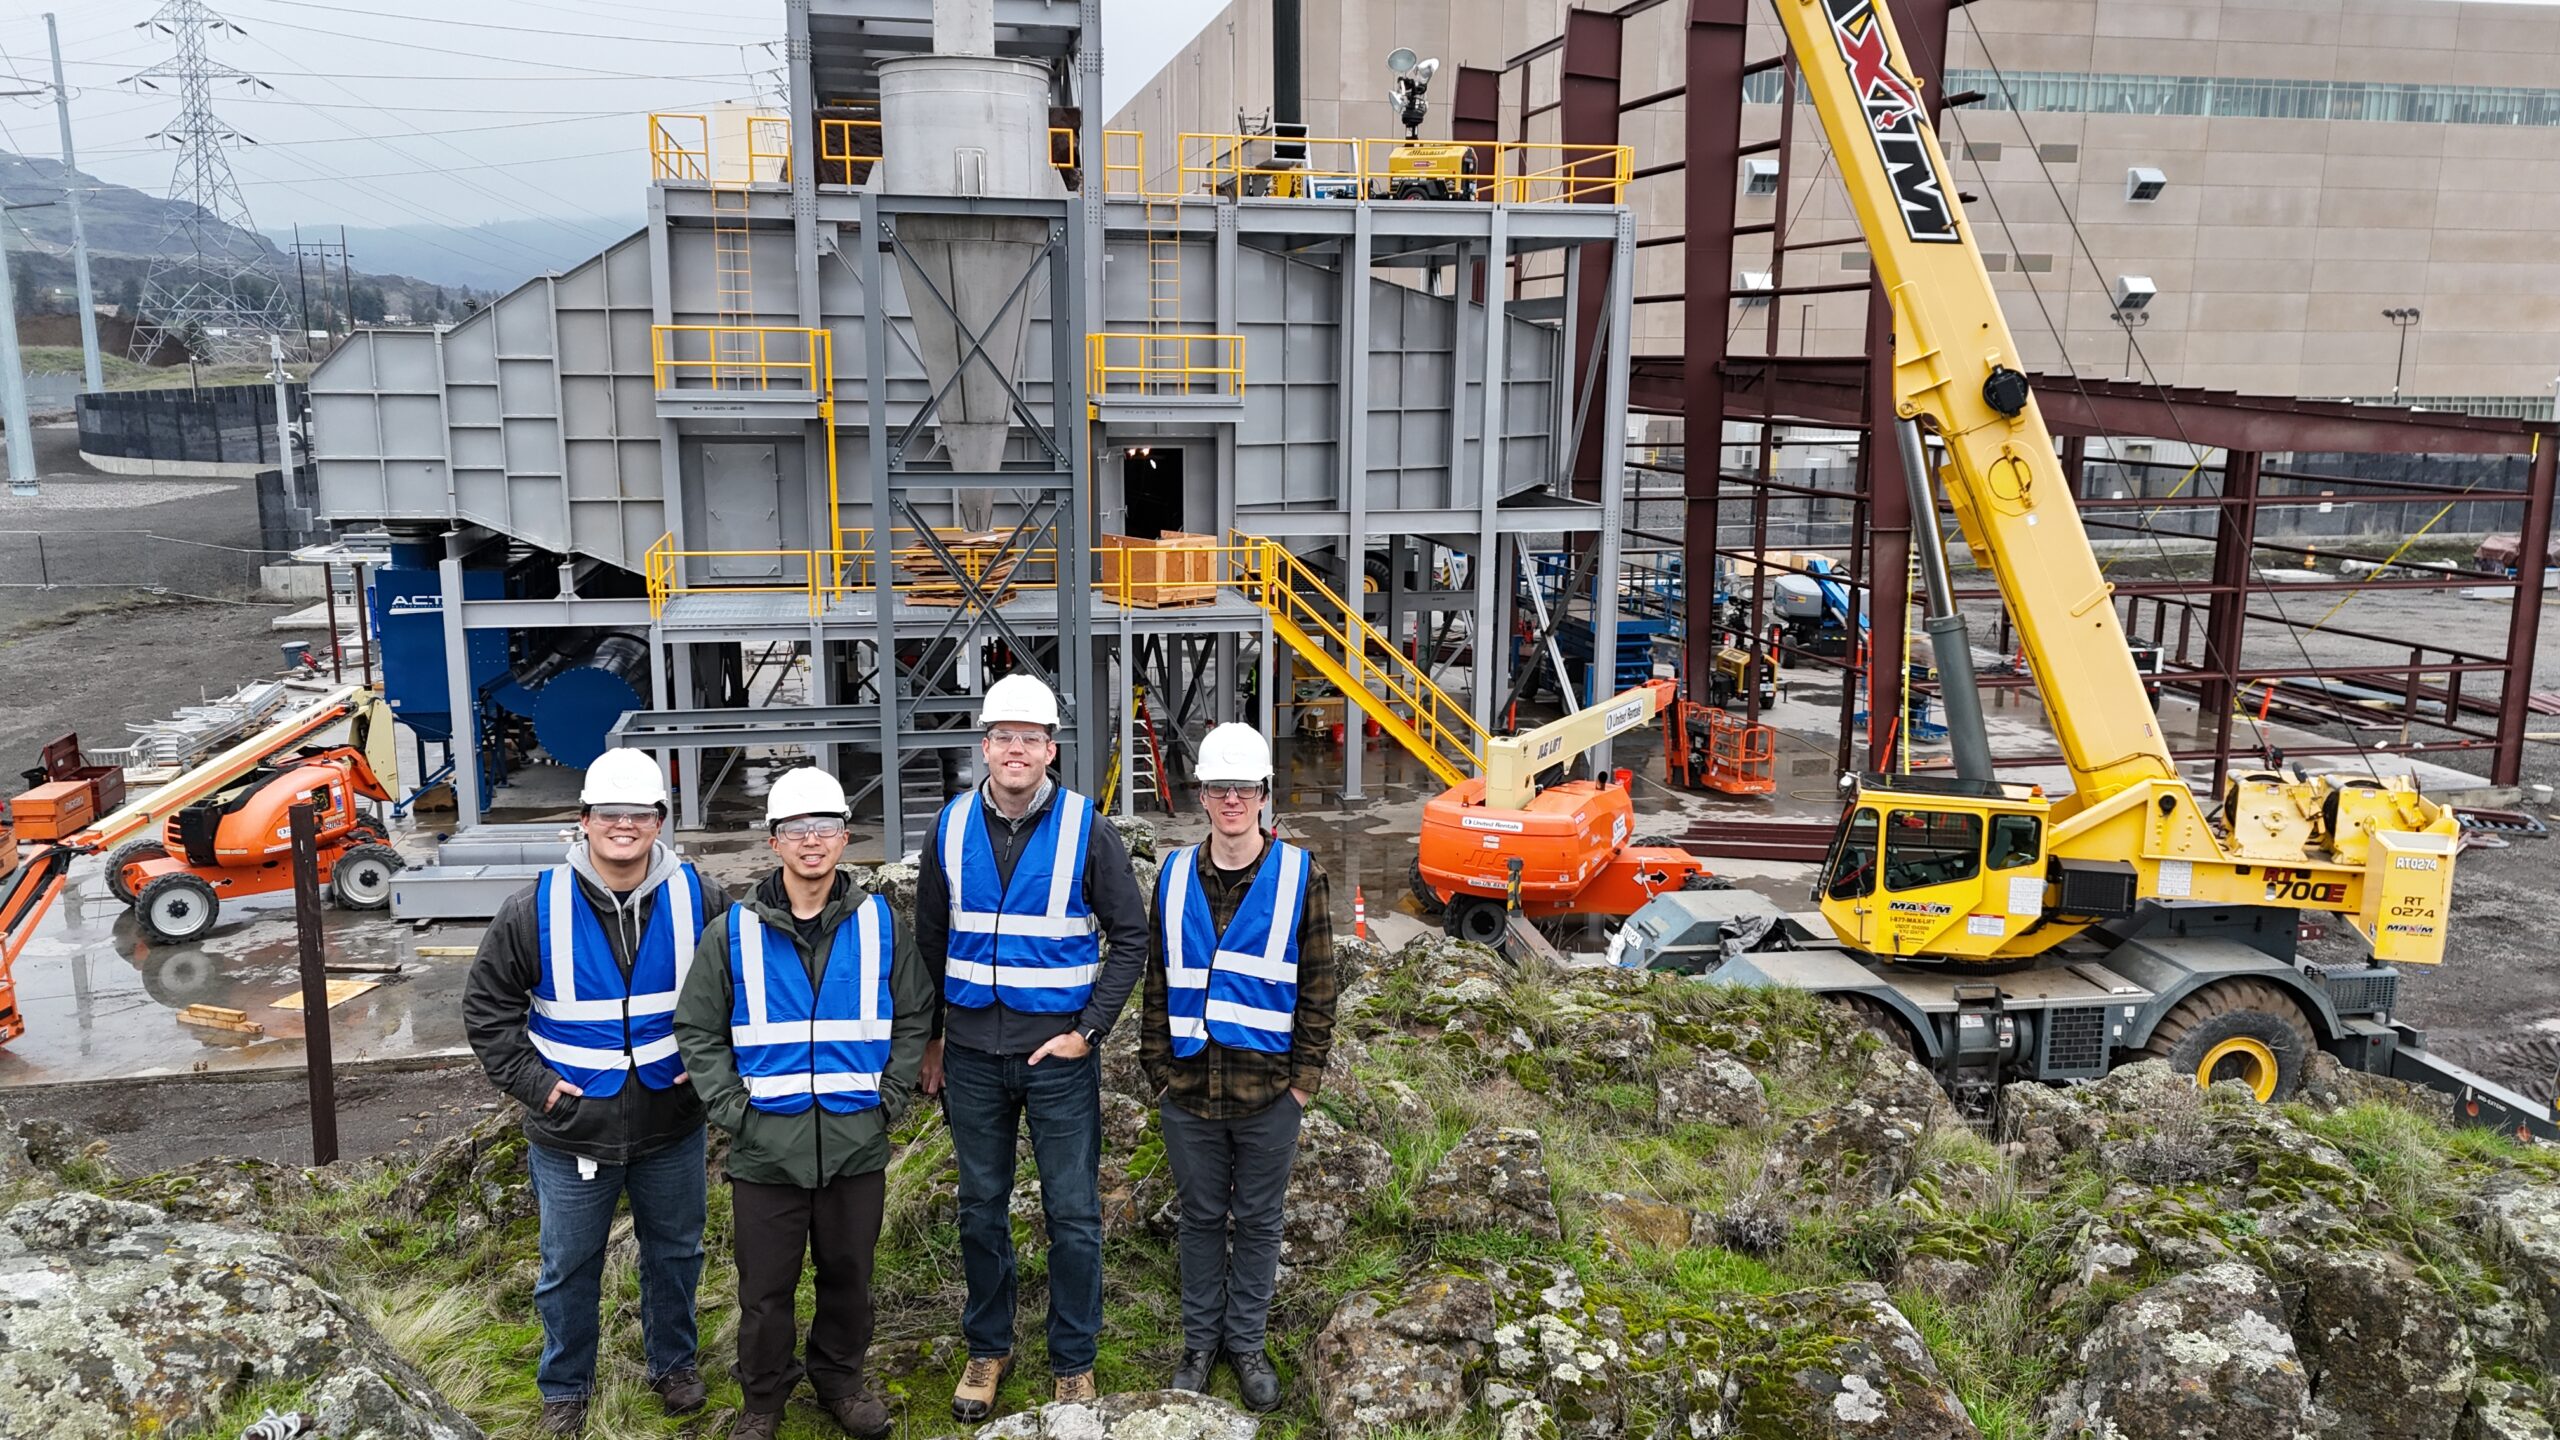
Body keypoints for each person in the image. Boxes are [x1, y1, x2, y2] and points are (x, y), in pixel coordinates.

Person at [462, 748, 722, 1436]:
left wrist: (711, 1066)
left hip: (672, 1122)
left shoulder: (702, 897)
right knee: (567, 1266)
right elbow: (487, 1012)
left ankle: (673, 1366)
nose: (624, 825)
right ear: (583, 821)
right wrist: (540, 1089)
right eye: (609, 813)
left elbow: (743, 988)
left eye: (638, 813)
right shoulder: (532, 908)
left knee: (676, 1253)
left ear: (660, 822)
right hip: (571, 1129)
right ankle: (566, 1388)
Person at [915, 673, 1151, 1419]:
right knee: (980, 1208)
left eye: (1031, 739)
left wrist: (1088, 1034)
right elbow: (928, 941)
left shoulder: (1091, 829)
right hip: (973, 1058)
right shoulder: (948, 827)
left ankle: (1073, 1360)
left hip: (1057, 1059)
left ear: (1051, 750)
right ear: (985, 747)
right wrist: (933, 1041)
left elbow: (1131, 937)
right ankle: (989, 1347)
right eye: (1003, 737)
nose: (1016, 750)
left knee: (1073, 1213)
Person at [674, 766, 931, 1440]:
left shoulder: (881, 924)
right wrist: (736, 1113)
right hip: (765, 1149)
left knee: (849, 1275)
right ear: (775, 842)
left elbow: (913, 1016)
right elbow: (697, 1029)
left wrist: (890, 1099)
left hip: (856, 1142)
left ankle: (840, 1382)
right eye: (796, 830)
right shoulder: (731, 932)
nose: (811, 841)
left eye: (824, 828)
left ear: (845, 839)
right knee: (765, 1293)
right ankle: (763, 1400)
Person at [1140, 723, 1336, 1412]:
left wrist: (1303, 1087)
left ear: (1262, 796)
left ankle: (1245, 1344)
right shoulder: (1170, 876)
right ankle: (1200, 1344)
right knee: (1198, 1219)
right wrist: (1156, 1070)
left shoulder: (1299, 876)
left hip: (1267, 1094)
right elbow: (1158, 978)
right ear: (1202, 795)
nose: (1232, 799)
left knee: (1257, 1221)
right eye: (1220, 787)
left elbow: (1318, 987)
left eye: (1243, 788)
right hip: (1189, 1088)